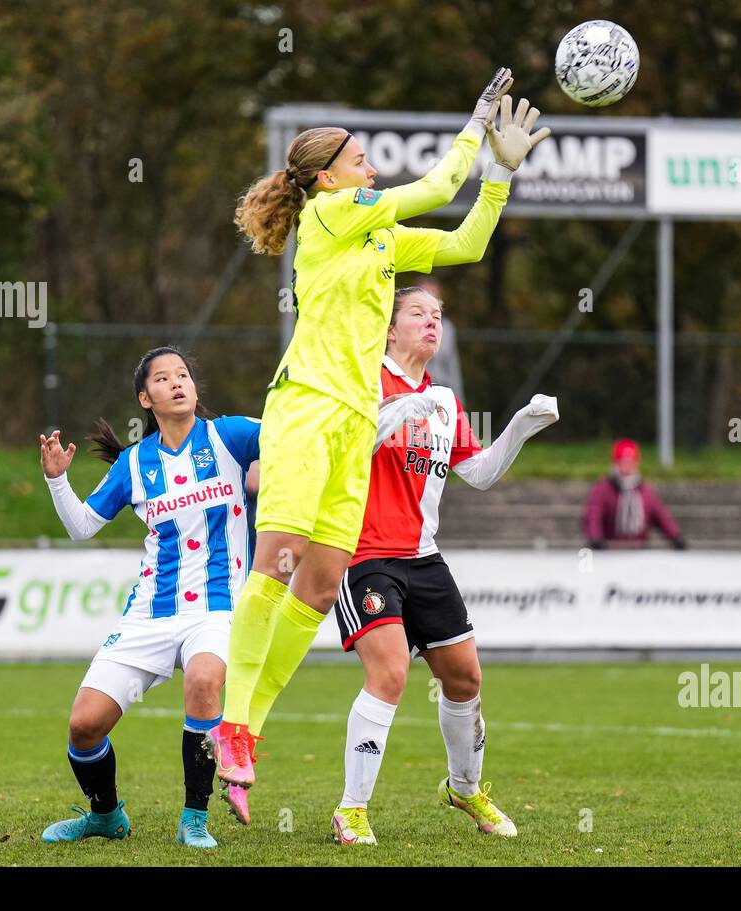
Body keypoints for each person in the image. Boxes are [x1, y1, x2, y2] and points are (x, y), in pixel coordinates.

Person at [210, 71, 552, 815]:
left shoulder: (376, 236)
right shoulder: (332, 214)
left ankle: (248, 733)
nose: (372, 170)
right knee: (279, 557)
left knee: (325, 582)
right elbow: (433, 187)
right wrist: (473, 127)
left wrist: (500, 172)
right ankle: (231, 723)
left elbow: (464, 241)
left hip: (355, 419)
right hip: (304, 407)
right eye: (361, 160)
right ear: (328, 176)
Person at [328, 286, 559, 846]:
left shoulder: (445, 400)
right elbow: (337, 452)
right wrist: (388, 414)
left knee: (465, 679)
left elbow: (477, 473)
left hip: (423, 558)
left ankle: (464, 787)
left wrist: (522, 426)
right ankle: (351, 810)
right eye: (418, 314)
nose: (432, 322)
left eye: (438, 316)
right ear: (388, 327)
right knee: (389, 675)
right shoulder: (361, 379)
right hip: (363, 554)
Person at [37, 346, 260, 849]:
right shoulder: (135, 463)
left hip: (218, 608)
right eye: (163, 378)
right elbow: (82, 527)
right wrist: (57, 480)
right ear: (146, 398)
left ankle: (194, 819)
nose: (178, 382)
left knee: (204, 680)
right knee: (83, 727)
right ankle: (105, 815)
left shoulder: (230, 435)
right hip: (150, 612)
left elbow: (292, 436)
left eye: (183, 374)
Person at [583, 438, 687, 550]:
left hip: (639, 551)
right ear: (616, 462)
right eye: (624, 461)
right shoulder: (603, 489)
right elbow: (593, 516)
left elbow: (661, 516)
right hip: (610, 549)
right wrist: (595, 538)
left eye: (631, 461)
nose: (628, 465)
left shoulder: (645, 491)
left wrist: (676, 536)